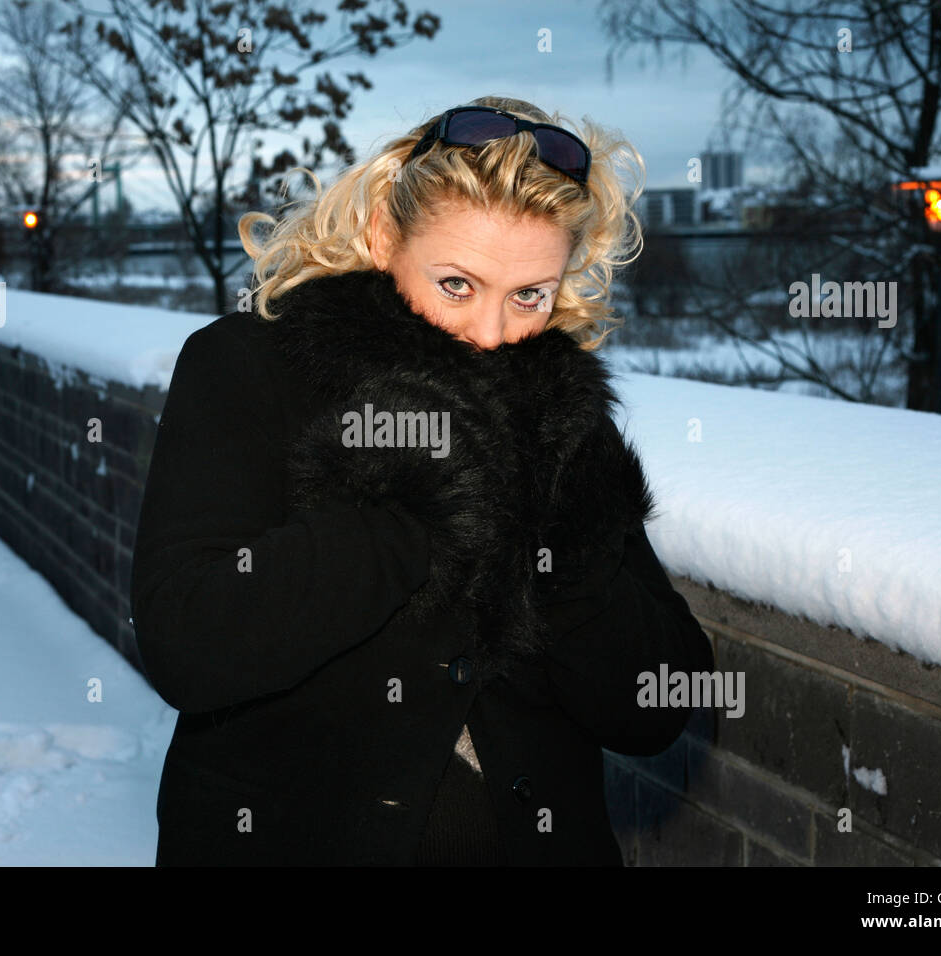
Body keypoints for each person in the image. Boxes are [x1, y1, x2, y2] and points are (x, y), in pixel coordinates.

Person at [130, 95, 716, 866]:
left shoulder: (555, 410)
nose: (492, 333)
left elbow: (658, 705)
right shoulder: (250, 368)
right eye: (456, 285)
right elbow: (188, 642)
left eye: (529, 296)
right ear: (382, 233)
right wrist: (410, 500)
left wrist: (561, 533)